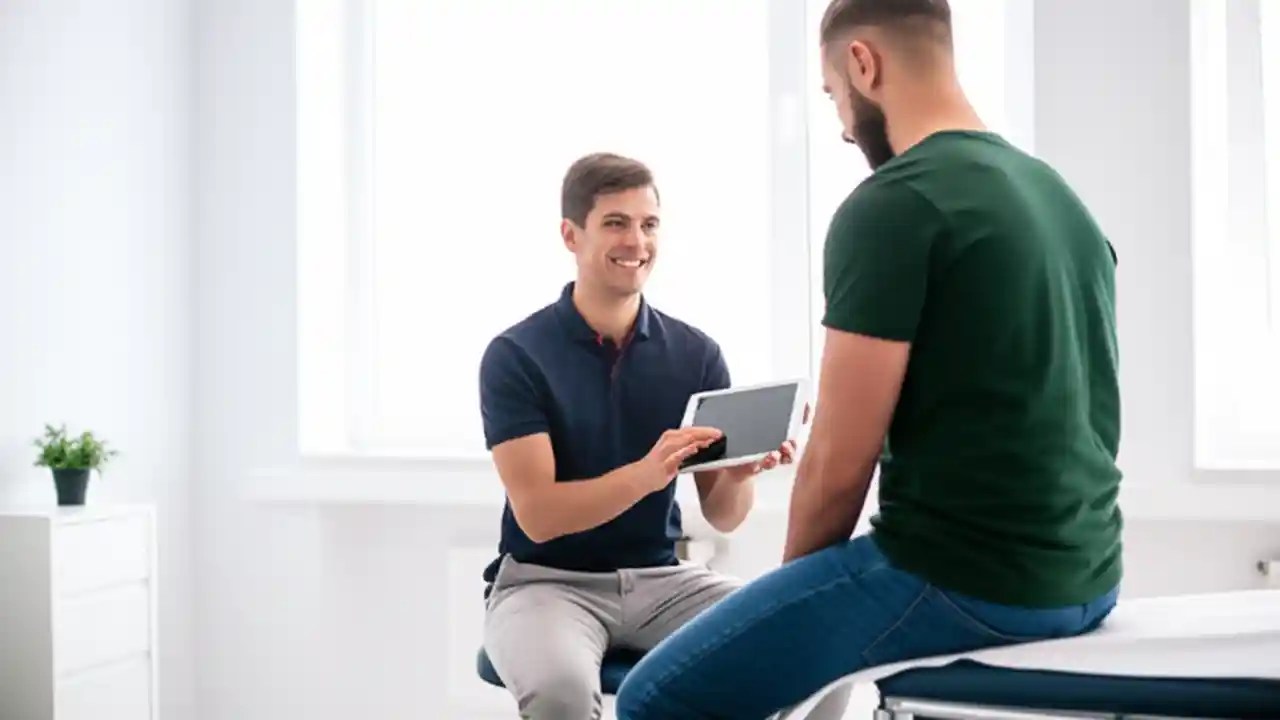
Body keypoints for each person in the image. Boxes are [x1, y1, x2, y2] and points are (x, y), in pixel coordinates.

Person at [614, 0, 1124, 717]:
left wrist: (782, 628)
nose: (842, 123)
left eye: (832, 95)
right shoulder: (1056, 195)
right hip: (1090, 579)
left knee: (651, 699)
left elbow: (834, 472)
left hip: (970, 583)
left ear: (863, 62)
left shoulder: (895, 205)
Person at [478, 151, 798, 720]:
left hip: (663, 580)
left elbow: (722, 514)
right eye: (616, 223)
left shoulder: (696, 355)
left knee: (808, 646)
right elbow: (540, 515)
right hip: (546, 584)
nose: (637, 241)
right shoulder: (516, 356)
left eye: (649, 224)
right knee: (561, 694)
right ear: (570, 236)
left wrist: (739, 475)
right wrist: (647, 475)